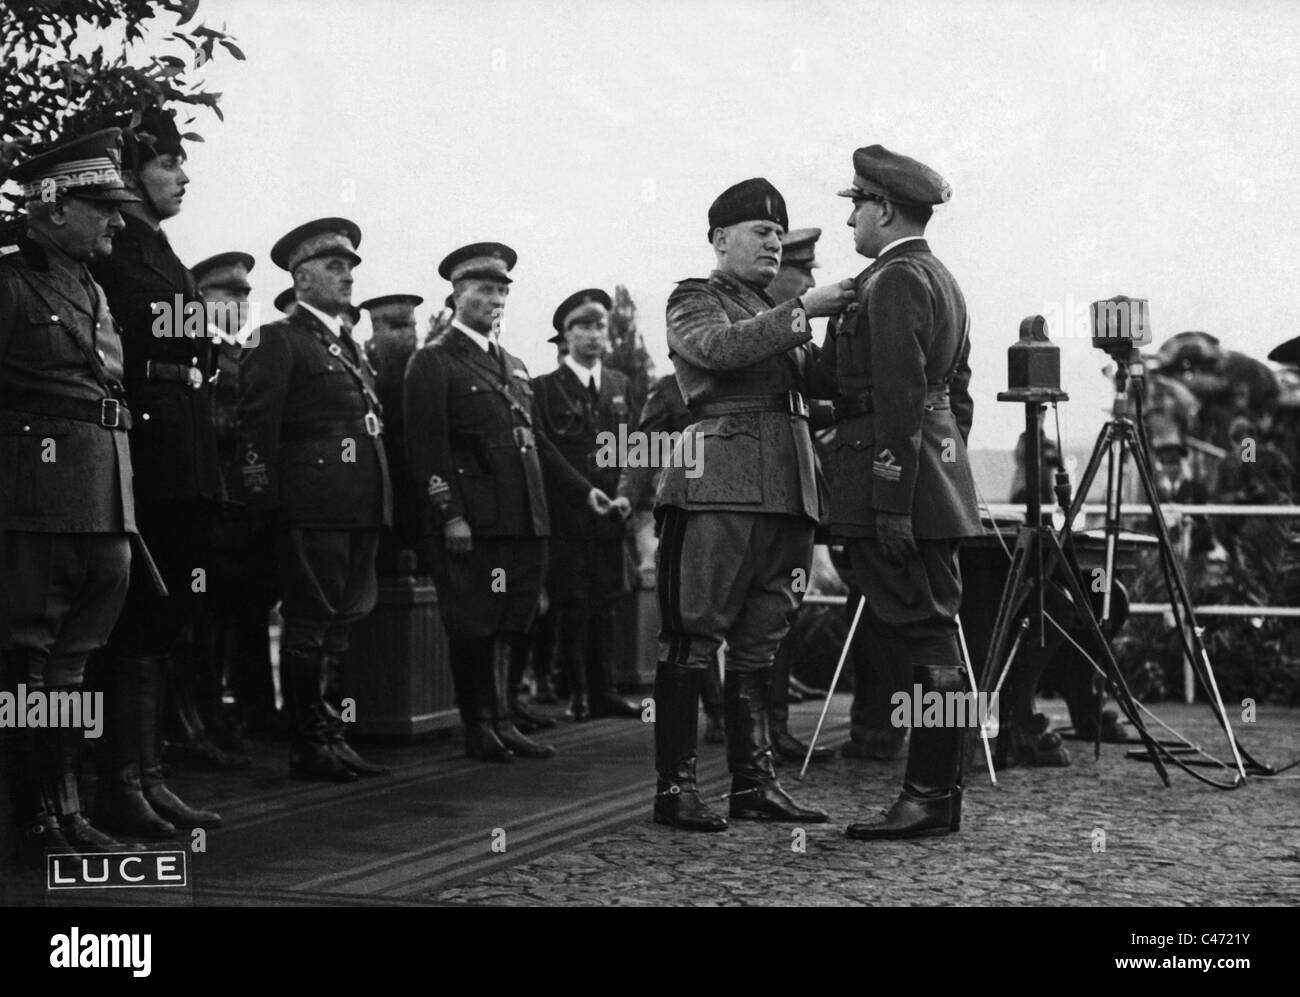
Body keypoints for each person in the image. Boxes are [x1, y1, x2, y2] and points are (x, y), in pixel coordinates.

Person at [652, 177, 855, 832]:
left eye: (777, 233)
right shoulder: (695, 297)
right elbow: (718, 349)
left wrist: (852, 325)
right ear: (719, 239)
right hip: (718, 486)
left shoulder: (775, 307)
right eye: (760, 232)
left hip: (788, 491)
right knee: (694, 628)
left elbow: (819, 383)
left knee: (762, 637)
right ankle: (675, 786)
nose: (774, 243)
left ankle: (754, 783)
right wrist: (803, 312)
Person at [821, 144, 982, 840]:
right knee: (934, 633)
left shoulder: (892, 280)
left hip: (900, 490)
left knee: (927, 638)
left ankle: (926, 796)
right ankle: (936, 793)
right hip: (933, 482)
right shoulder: (939, 276)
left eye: (855, 203)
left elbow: (898, 395)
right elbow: (957, 399)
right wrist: (940, 472)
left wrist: (891, 499)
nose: (850, 218)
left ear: (883, 208)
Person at [404, 243, 618, 763]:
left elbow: (538, 441)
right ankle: (479, 724)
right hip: (476, 521)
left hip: (527, 516)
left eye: (501, 290)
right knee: (475, 621)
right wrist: (449, 513)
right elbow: (424, 446)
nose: (495, 299)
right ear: (456, 295)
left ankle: (504, 718)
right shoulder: (433, 361)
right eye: (483, 289)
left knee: (514, 619)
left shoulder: (514, 365)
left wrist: (578, 488)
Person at [0, 128, 146, 864]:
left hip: (102, 494)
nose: (118, 220)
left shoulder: (94, 286)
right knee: (31, 662)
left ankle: (68, 807)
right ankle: (35, 815)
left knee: (75, 664)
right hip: (36, 497)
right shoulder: (9, 281)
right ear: (53, 208)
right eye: (103, 206)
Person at [89, 108, 222, 838]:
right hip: (143, 442)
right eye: (169, 161)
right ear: (133, 173)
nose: (182, 174)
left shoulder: (161, 251)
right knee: (135, 619)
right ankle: (121, 781)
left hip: (183, 442)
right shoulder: (113, 253)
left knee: (163, 618)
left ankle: (151, 775)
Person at [238, 217, 391, 782]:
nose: (347, 275)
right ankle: (309, 742)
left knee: (341, 624)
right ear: (301, 278)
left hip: (358, 503)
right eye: (334, 266)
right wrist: (266, 503)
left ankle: (332, 735)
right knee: (308, 623)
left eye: (350, 265)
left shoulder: (348, 344)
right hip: (311, 503)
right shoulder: (278, 338)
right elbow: (257, 427)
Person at [533, 289, 641, 722]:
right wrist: (582, 492)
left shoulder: (619, 385)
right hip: (570, 516)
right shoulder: (545, 388)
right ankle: (575, 691)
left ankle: (604, 691)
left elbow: (634, 446)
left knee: (606, 603)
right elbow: (546, 452)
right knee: (572, 604)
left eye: (599, 326)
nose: (593, 335)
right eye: (583, 326)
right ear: (565, 334)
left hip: (611, 513)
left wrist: (629, 495)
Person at [193, 252, 278, 743]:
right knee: (207, 619)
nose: (240, 303)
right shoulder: (198, 354)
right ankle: (209, 718)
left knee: (250, 613)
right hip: (213, 504)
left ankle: (257, 711)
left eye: (245, 295)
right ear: (201, 301)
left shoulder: (252, 353)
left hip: (250, 505)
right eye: (227, 294)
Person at [762, 226, 835, 765]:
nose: (811, 281)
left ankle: (775, 728)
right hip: (749, 500)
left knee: (780, 614)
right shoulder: (744, 328)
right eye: (802, 271)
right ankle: (741, 729)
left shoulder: (798, 343)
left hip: (793, 497)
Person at [359, 294, 424, 571]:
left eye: (411, 326)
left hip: (421, 489)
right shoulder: (364, 370)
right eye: (398, 327)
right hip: (378, 488)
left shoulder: (424, 368)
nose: (409, 335)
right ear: (376, 328)